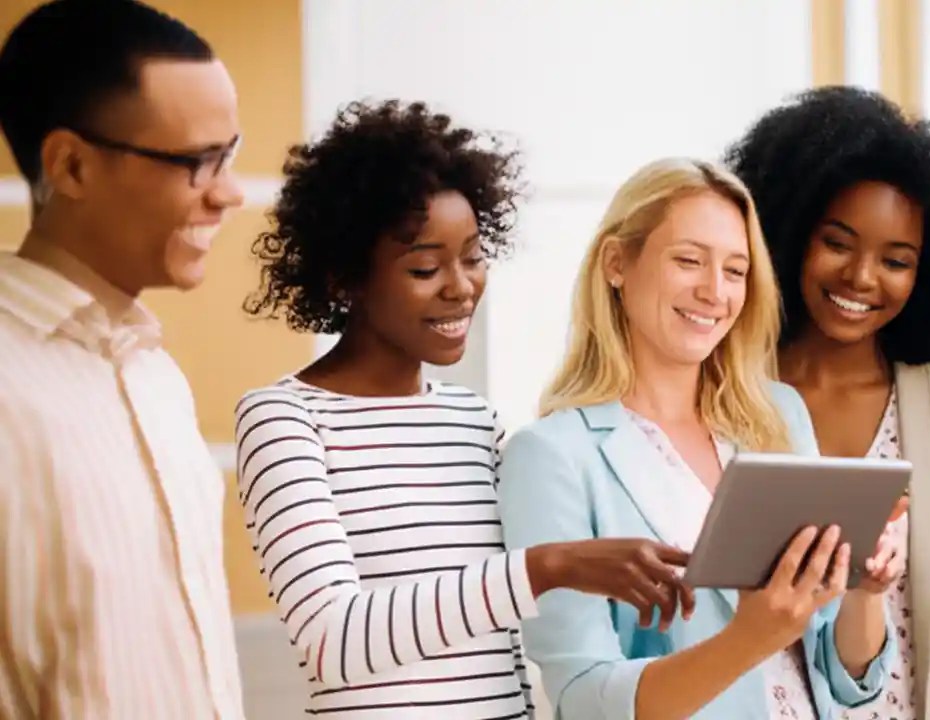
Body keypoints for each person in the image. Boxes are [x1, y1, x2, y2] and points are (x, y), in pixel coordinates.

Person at [234, 100, 695, 719]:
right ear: (345, 277)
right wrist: (550, 566)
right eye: (424, 267)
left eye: (474, 256)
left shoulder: (473, 420)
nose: (461, 286)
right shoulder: (284, 420)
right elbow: (332, 640)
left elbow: (502, 640)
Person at [497, 157, 906, 719]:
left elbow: (847, 679)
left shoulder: (777, 416)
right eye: (689, 261)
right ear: (617, 263)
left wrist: (866, 587)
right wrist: (751, 637)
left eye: (736, 271)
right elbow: (585, 700)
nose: (715, 292)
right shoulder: (549, 457)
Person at [726, 86, 930, 720]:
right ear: (789, 233)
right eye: (837, 243)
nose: (862, 278)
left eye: (896, 259)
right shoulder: (722, 385)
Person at [0, 2, 246, 718]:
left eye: (229, 156)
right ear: (70, 165)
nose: (227, 192)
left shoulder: (152, 373)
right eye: (197, 162)